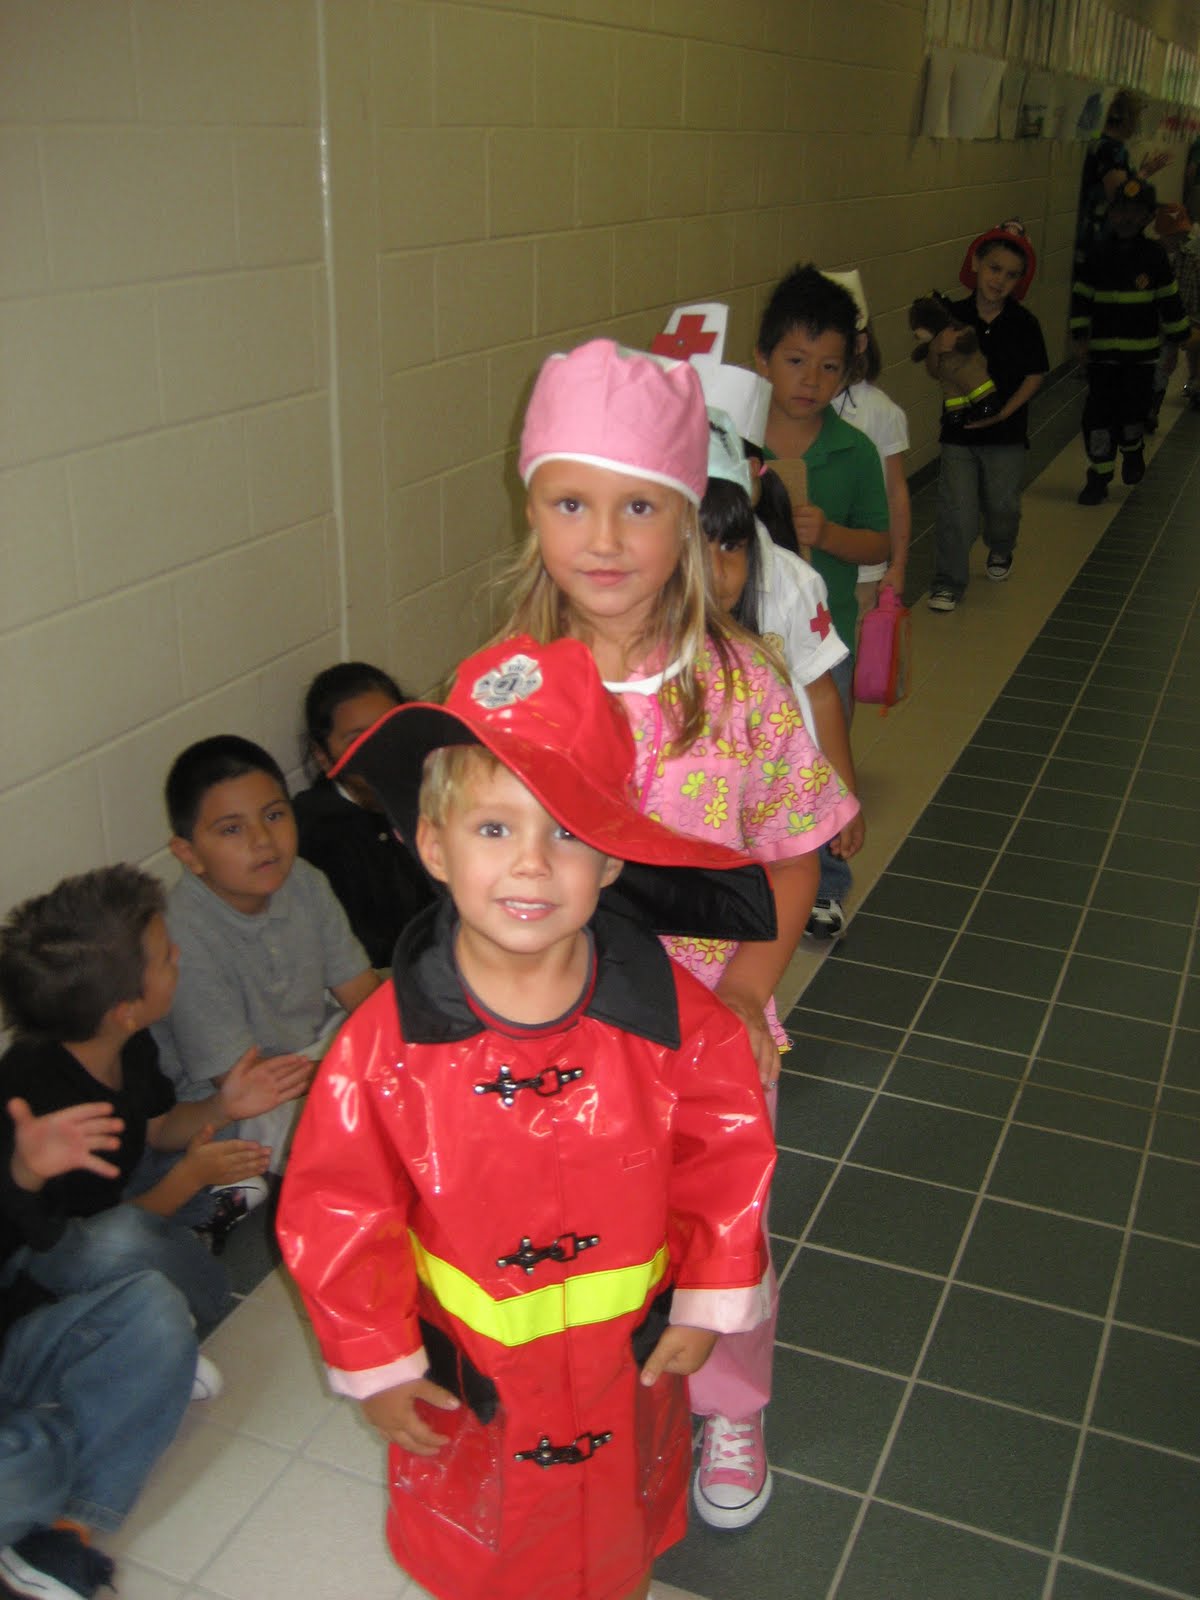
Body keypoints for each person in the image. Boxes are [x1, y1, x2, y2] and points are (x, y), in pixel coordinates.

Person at [277, 634, 778, 1600]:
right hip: (478, 1386)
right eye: (495, 830)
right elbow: (336, 1210)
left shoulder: (681, 1022)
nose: (533, 867)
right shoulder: (383, 1047)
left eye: (569, 832)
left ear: (615, 860)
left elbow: (727, 1158)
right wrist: (377, 1364)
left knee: (614, 1540)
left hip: (625, 1371)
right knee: (489, 1554)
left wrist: (713, 1293)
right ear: (432, 845)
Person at [505, 337, 860, 1530]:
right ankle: (590, 1392)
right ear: (534, 512)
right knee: (572, 1229)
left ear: (692, 521)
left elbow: (793, 853)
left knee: (721, 1235)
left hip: (705, 1027)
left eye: (638, 508)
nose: (602, 540)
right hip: (557, 1027)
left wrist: (746, 997)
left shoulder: (747, 685)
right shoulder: (509, 688)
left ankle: (731, 1401)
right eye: (570, 502)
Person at [0, 865, 312, 1316]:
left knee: (236, 1122)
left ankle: (184, 1223)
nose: (178, 955)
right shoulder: (40, 1095)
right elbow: (83, 1232)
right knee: (174, 1268)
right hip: (50, 1249)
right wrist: (190, 1177)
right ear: (124, 1010)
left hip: (126, 1184)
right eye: (166, 957)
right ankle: (136, 1302)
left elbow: (159, 1127)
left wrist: (225, 1106)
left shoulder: (124, 1037)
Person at [149, 736, 378, 1201]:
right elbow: (242, 1078)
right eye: (231, 829)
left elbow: (364, 995)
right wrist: (358, 1078)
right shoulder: (182, 936)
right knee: (354, 1141)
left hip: (319, 1046)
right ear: (188, 853)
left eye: (274, 815)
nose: (262, 840)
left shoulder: (305, 881)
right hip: (244, 1095)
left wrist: (391, 1055)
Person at [0, 1095, 195, 1600]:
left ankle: (69, 1516)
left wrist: (22, 1177)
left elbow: (27, 1251)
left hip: (13, 1353)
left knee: (153, 1307)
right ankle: (102, 1416)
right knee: (21, 1469)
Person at [702, 407, 864, 941]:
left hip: (784, 779)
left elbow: (822, 697)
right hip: (714, 806)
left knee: (799, 859)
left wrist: (843, 798)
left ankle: (826, 886)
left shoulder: (791, 584)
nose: (713, 570)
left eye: (729, 545)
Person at [754, 264, 890, 680]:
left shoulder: (856, 451)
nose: (811, 380)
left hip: (827, 642)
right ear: (763, 358)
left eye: (829, 367)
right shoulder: (733, 443)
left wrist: (828, 535)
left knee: (826, 743)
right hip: (747, 642)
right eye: (796, 360)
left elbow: (879, 546)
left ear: (847, 372)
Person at [927, 221, 1049, 610]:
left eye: (1011, 275)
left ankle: (1001, 546)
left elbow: (1035, 376)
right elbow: (934, 368)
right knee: (956, 511)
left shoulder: (1024, 323)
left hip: (1006, 434)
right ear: (977, 264)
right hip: (959, 433)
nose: (1000, 281)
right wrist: (937, 347)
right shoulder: (952, 316)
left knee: (1002, 506)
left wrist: (1003, 415)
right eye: (995, 268)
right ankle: (948, 582)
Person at [294, 662, 436, 967]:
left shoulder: (434, 791)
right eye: (357, 739)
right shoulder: (318, 833)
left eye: (389, 730)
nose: (381, 750)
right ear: (322, 755)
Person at [1072, 180, 1190, 505]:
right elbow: (1081, 298)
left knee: (1132, 414)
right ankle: (1098, 476)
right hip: (1103, 358)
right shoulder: (1097, 255)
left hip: (1140, 360)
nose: (1126, 218)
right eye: (1121, 210)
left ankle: (1133, 450)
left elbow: (1170, 301)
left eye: (1135, 213)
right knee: (1097, 417)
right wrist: (1080, 338)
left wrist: (1178, 344)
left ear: (1147, 218)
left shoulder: (1154, 256)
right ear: (1111, 214)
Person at [824, 269, 912, 605]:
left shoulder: (879, 411)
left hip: (862, 570)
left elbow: (896, 493)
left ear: (859, 344)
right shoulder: (791, 410)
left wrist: (898, 565)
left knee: (855, 648)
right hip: (805, 565)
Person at [1076, 90, 1171, 267]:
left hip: (1092, 232)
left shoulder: (1100, 144)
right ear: (1129, 120)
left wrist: (1143, 173)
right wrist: (1143, 175)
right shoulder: (1112, 151)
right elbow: (1120, 196)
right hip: (1101, 236)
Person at [1146, 202, 1200, 429]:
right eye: (1174, 235)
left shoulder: (1193, 255)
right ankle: (1151, 407)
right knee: (1162, 364)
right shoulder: (1156, 256)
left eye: (1182, 234)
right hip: (1163, 321)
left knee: (1193, 346)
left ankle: (1195, 383)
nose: (1179, 239)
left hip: (1190, 317)